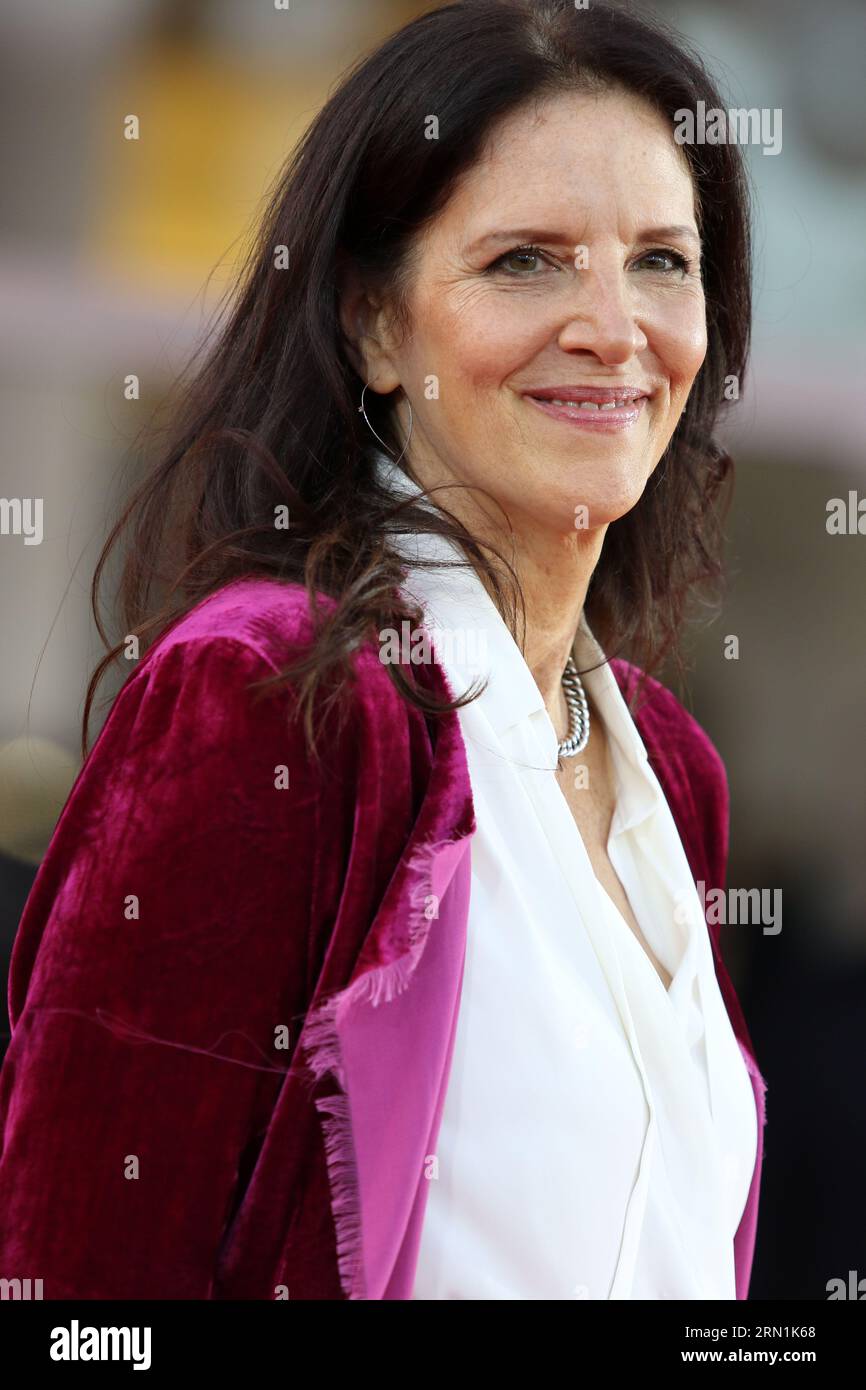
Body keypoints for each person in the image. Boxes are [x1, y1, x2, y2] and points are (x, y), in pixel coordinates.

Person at [0, 0, 766, 1300]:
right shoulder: (267, 689)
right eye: (525, 259)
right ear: (373, 322)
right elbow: (76, 1291)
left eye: (660, 260)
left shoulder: (667, 771)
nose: (611, 325)